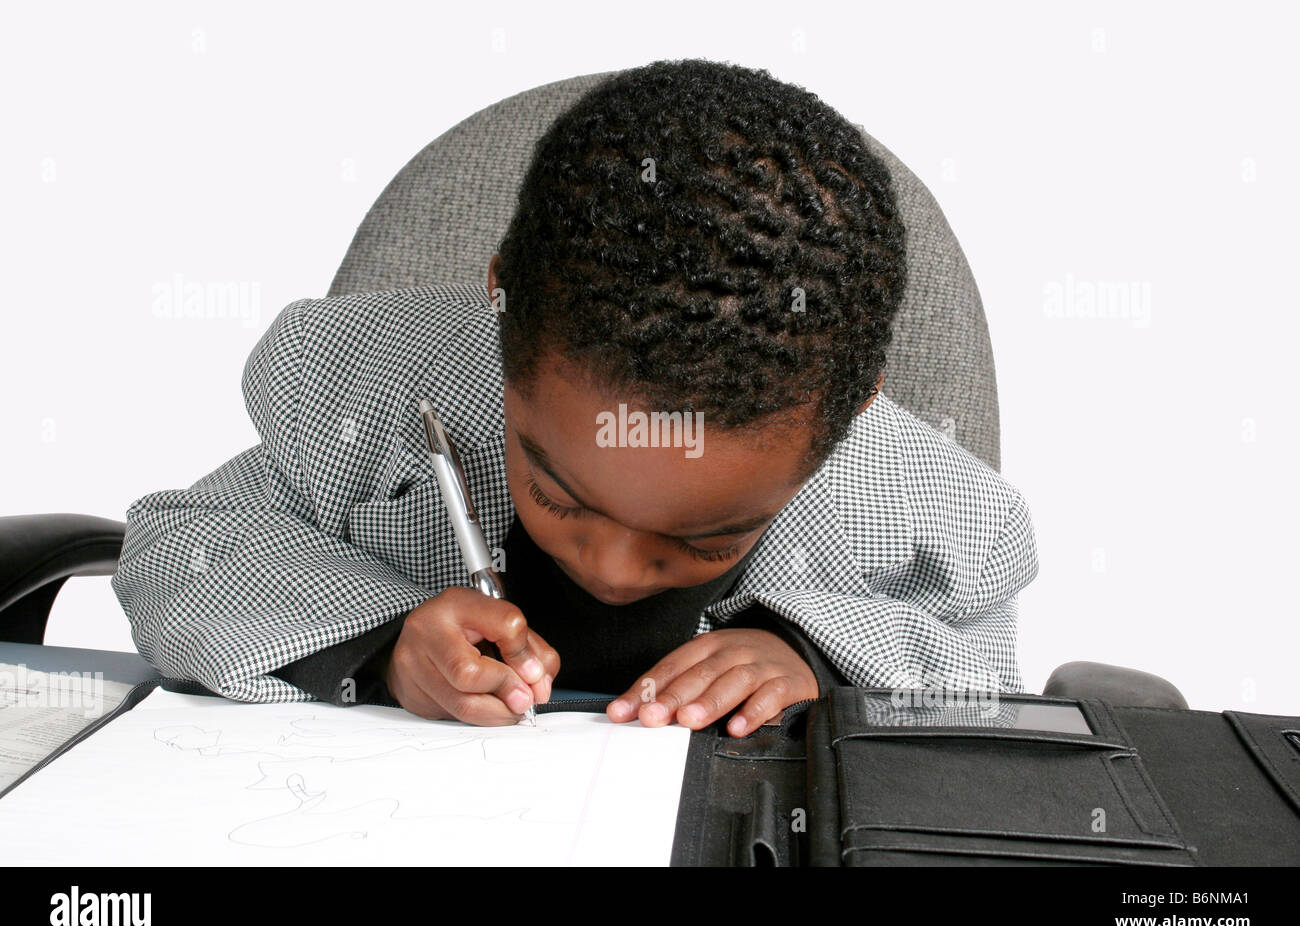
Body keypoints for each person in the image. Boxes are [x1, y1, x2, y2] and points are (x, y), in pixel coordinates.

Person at [111, 58, 1038, 738]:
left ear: (849, 416)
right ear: (501, 306)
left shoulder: (931, 509)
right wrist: (383, 638)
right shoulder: (369, 390)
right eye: (559, 494)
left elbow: (989, 680)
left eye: (703, 539)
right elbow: (177, 553)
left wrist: (819, 656)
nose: (616, 570)